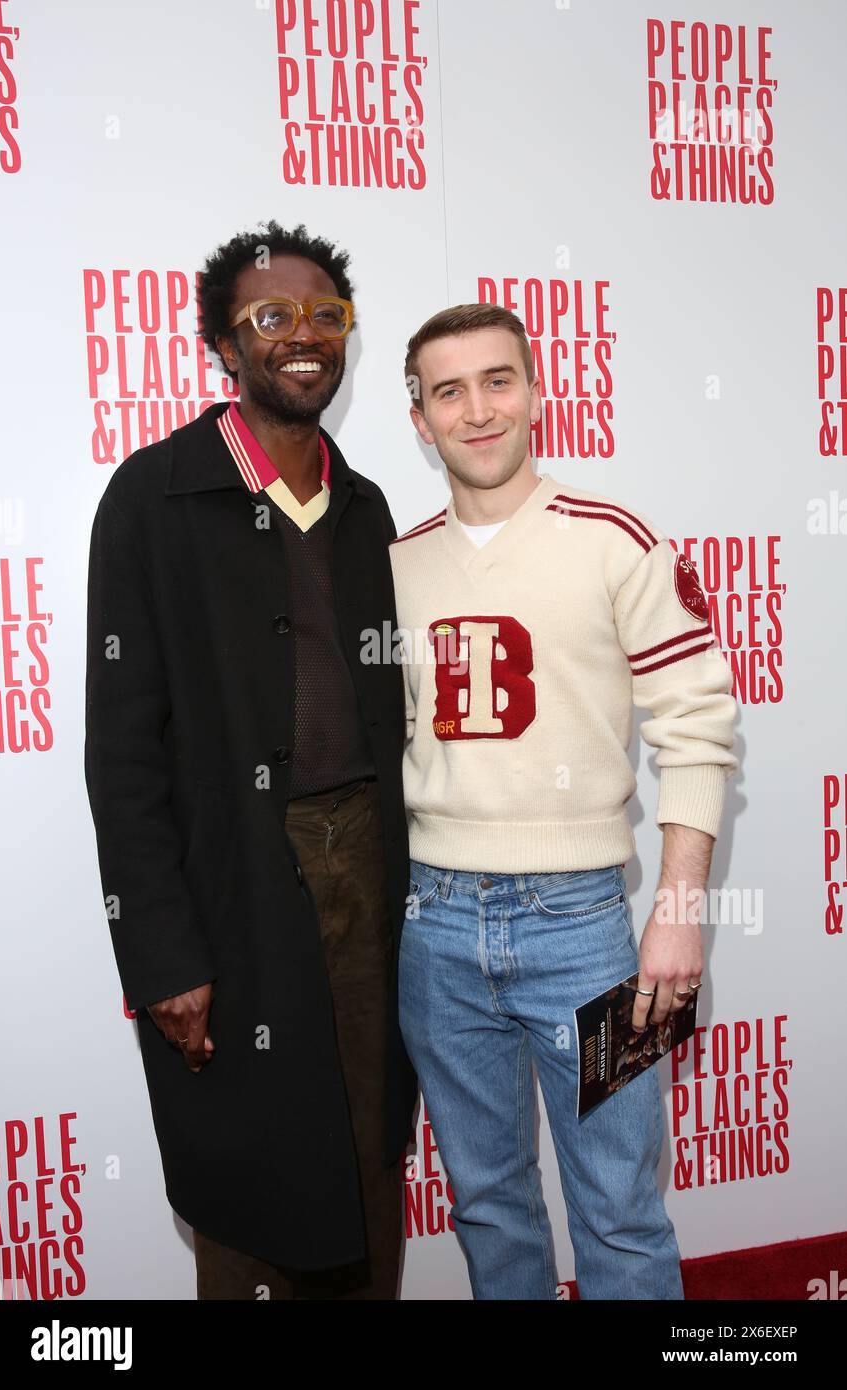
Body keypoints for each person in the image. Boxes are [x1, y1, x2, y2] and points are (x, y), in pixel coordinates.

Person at [84, 220, 416, 1300]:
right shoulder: (152, 497)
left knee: (365, 1145)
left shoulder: (367, 509)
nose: (304, 335)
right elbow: (123, 753)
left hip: (372, 870)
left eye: (328, 314)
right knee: (251, 1170)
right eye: (271, 316)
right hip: (231, 878)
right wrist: (163, 955)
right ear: (222, 347)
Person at [390, 302, 739, 1300]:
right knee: (487, 1206)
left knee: (618, 1209)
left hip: (584, 926)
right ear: (419, 419)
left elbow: (697, 725)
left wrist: (675, 911)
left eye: (497, 380)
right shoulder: (394, 565)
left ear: (536, 392)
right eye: (447, 391)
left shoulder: (614, 540)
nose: (477, 409)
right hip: (434, 928)